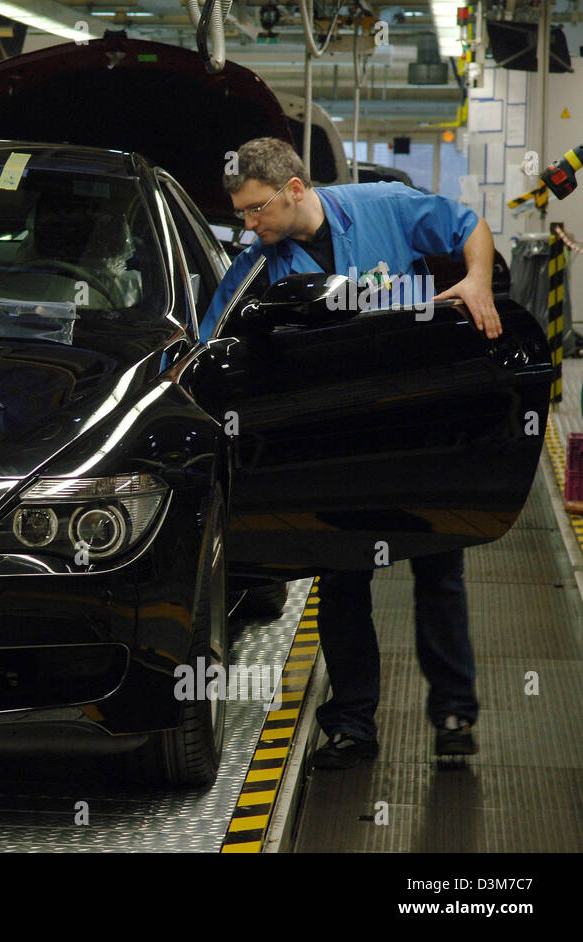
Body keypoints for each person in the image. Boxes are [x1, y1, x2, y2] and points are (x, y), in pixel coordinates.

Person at [201, 137, 501, 769]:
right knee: (341, 576)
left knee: (438, 568)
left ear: (296, 190)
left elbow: (468, 224)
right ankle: (352, 724)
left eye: (258, 210)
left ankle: (454, 715)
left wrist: (477, 281)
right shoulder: (260, 260)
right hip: (337, 441)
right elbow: (214, 341)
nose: (251, 225)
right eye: (243, 215)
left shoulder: (384, 207)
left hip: (417, 425)